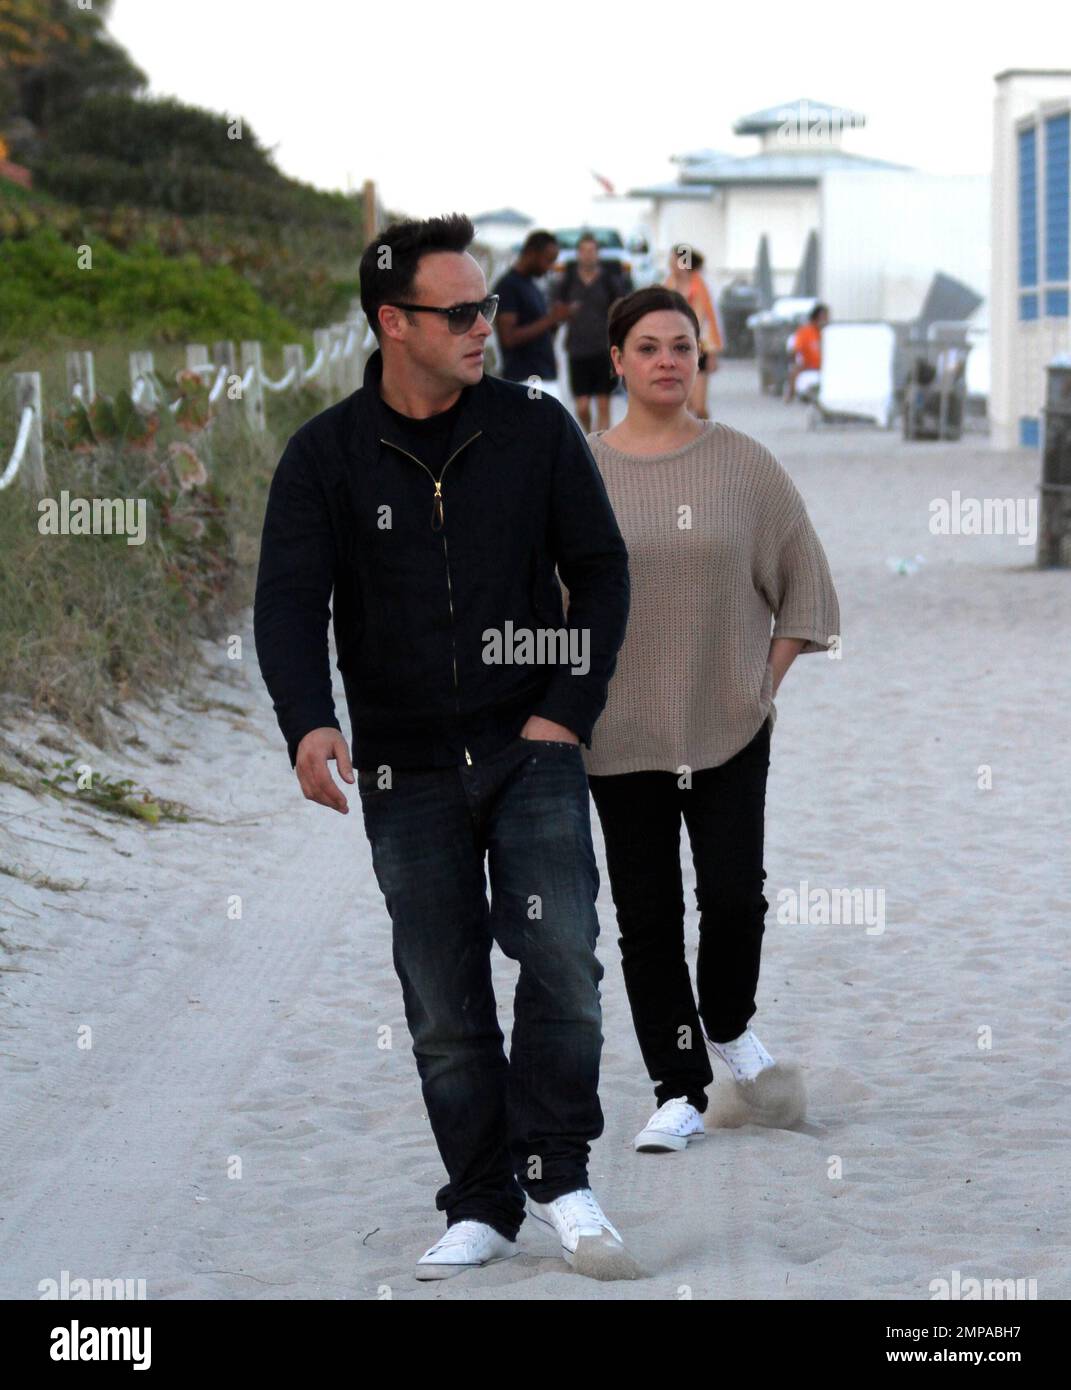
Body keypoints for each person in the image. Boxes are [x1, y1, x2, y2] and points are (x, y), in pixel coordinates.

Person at [253, 214, 635, 1279]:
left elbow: (600, 571)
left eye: (492, 306)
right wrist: (307, 717)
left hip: (531, 744)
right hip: (402, 764)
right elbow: (288, 602)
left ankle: (560, 1175)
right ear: (393, 323)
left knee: (561, 957)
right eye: (463, 312)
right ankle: (481, 1200)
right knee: (441, 996)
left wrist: (568, 706)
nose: (491, 325)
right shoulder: (325, 454)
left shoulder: (533, 426)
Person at [577, 286, 840, 1154]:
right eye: (646, 347)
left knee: (733, 900)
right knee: (646, 920)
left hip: (727, 722)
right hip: (619, 731)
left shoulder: (744, 465)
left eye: (680, 347)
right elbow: (548, 597)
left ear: (700, 359)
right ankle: (679, 1090)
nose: (664, 361)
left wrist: (762, 683)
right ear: (615, 361)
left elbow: (803, 583)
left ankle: (727, 1021)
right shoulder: (579, 471)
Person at [550, 232, 629, 432]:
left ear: (598, 254)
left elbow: (621, 311)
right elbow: (555, 312)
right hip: (577, 349)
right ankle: (589, 436)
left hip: (603, 348)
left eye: (592, 251)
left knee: (604, 405)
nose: (587, 255)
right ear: (577, 254)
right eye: (583, 251)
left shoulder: (608, 280)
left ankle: (600, 448)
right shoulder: (568, 280)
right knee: (582, 406)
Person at [492, 230, 573, 398]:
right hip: (527, 378)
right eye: (548, 260)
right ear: (531, 253)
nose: (550, 267)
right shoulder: (508, 286)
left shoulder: (532, 286)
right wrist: (551, 318)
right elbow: (508, 338)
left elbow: (542, 329)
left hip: (543, 376)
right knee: (539, 424)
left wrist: (556, 321)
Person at [663, 245, 723, 419]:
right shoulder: (668, 285)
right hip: (674, 348)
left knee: (699, 406)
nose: (670, 263)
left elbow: (711, 320)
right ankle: (688, 442)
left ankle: (706, 435)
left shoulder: (702, 286)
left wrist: (713, 352)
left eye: (674, 259)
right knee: (684, 404)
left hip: (699, 347)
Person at [786, 302, 829, 402]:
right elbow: (795, 349)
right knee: (794, 370)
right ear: (815, 318)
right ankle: (790, 394)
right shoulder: (805, 332)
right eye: (823, 317)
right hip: (808, 365)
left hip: (825, 365)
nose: (825, 320)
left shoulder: (828, 332)